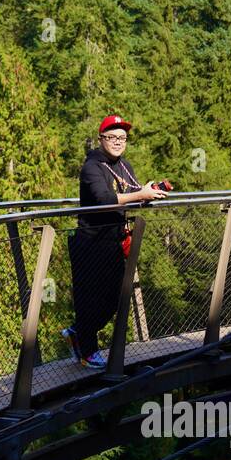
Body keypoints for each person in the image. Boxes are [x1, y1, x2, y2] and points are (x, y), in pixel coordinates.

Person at [62, 114, 167, 369]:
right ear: (101, 139)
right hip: (90, 242)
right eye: (112, 137)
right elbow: (102, 200)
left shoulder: (124, 165)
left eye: (122, 137)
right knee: (89, 299)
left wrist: (147, 193)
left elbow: (131, 193)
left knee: (115, 298)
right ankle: (88, 352)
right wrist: (139, 194)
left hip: (114, 240)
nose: (118, 142)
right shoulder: (92, 167)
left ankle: (77, 332)